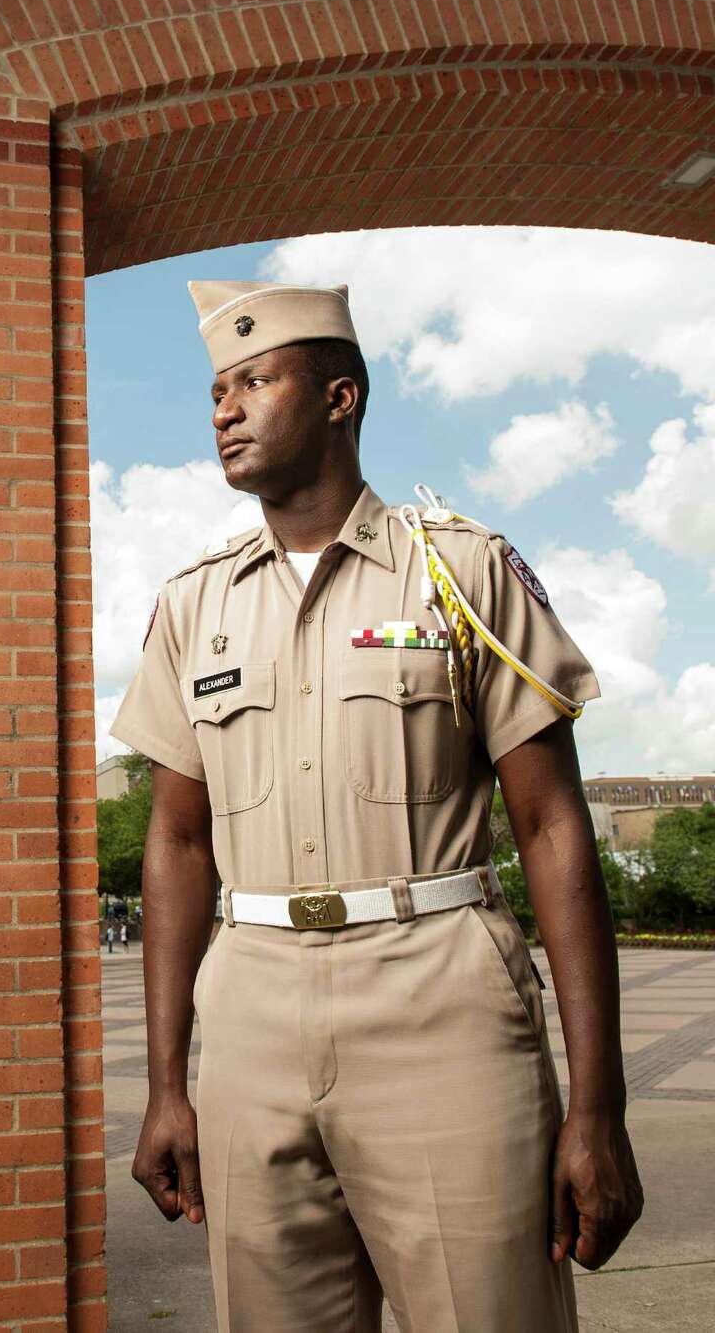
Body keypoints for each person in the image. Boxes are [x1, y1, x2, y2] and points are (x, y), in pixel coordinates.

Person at [110, 280, 643, 1333]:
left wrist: (600, 1104)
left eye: (256, 381)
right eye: (216, 388)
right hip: (252, 1016)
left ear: (340, 396)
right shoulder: (193, 604)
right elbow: (175, 843)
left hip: (438, 997)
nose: (224, 408)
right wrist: (167, 1082)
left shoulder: (461, 574)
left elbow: (551, 825)